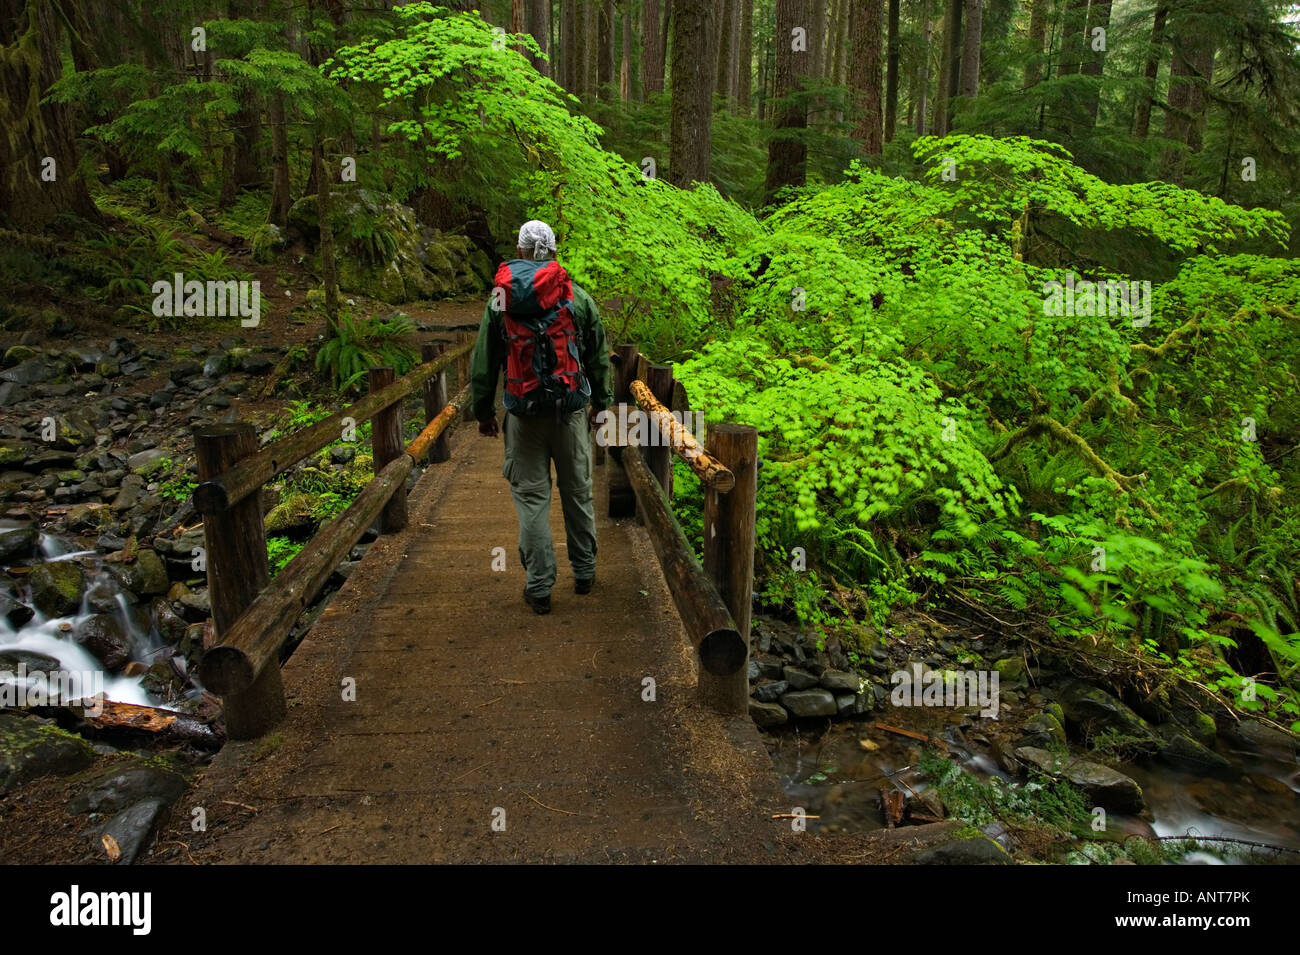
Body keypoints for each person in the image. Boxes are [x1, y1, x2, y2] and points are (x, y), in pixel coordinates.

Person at [470, 220, 611, 615]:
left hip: (523, 416)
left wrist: (483, 413)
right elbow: (598, 357)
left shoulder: (500, 301)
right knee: (578, 493)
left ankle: (539, 588)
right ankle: (584, 574)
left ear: (519, 249)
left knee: (532, 499)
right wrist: (602, 403)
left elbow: (484, 364)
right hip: (569, 415)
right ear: (552, 250)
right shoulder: (576, 297)